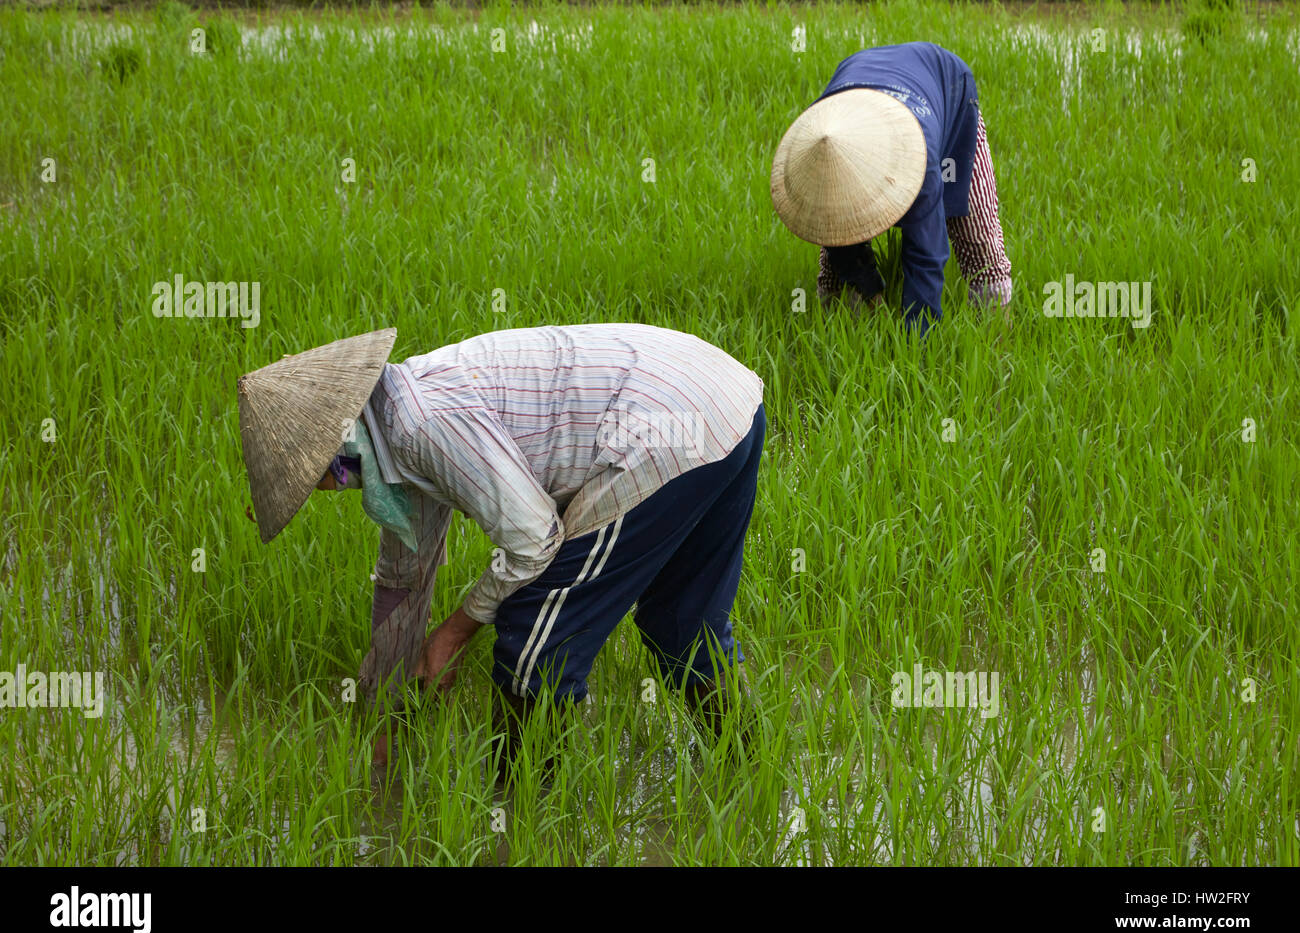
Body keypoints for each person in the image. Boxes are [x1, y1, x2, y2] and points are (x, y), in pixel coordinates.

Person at [236, 324, 766, 770]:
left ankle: (519, 820)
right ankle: (750, 770)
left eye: (312, 482)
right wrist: (386, 712)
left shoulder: (421, 426)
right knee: (683, 622)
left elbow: (535, 540)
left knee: (536, 637)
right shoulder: (389, 420)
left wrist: (454, 632)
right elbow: (403, 579)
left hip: (662, 426)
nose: (324, 492)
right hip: (723, 404)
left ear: (333, 451)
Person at [770, 41, 1013, 337]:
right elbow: (833, 228)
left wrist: (917, 348)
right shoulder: (817, 137)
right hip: (862, 81)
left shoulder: (916, 153)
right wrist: (870, 290)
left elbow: (927, 253)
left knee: (974, 234)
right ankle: (837, 328)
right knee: (836, 241)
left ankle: (997, 335)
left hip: (947, 89)